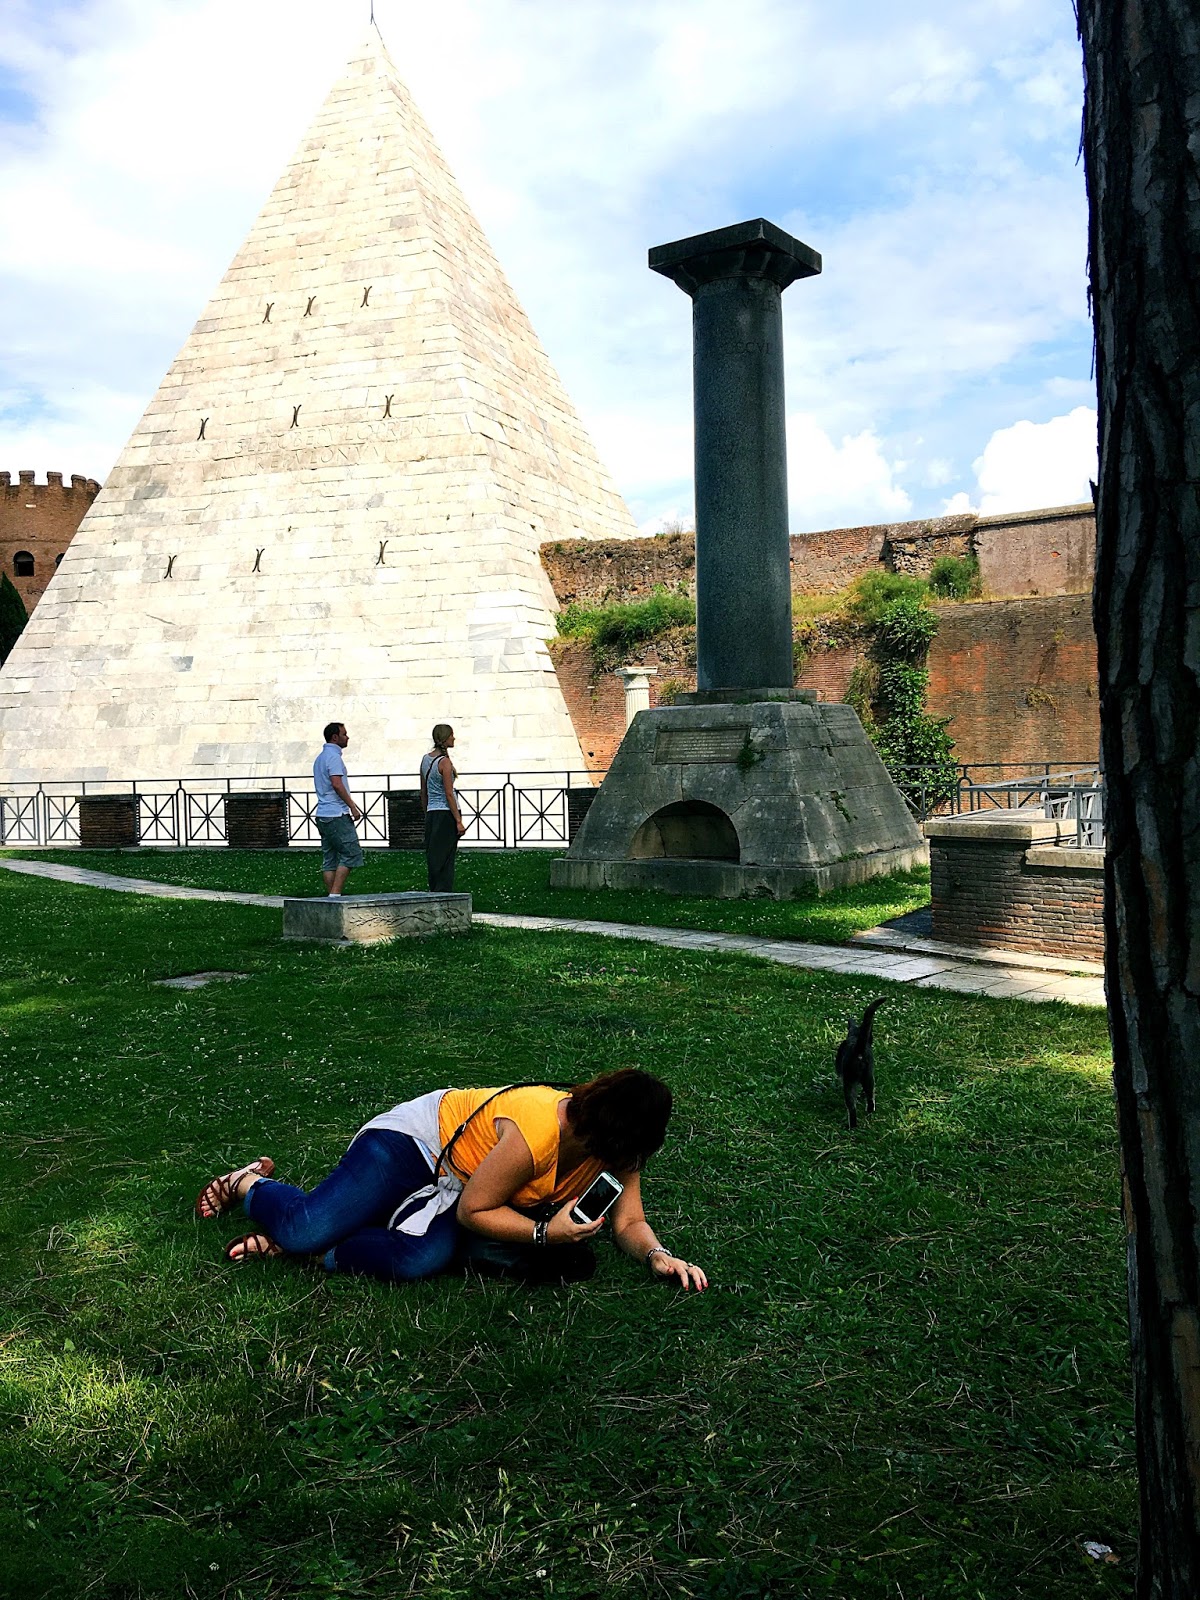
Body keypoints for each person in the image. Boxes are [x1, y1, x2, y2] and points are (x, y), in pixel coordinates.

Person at [194, 1070, 708, 1291]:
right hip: (417, 1143)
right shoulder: (535, 1133)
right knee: (305, 1226)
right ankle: (248, 1183)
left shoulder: (619, 1148)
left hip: (460, 1180)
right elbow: (474, 1213)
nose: (625, 1164)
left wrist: (657, 1255)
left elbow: (629, 1222)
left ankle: (315, 1252)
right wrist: (544, 1233)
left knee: (421, 1259)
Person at [313, 721, 363, 896]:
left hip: (322, 814)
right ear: (335, 737)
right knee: (352, 853)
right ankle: (335, 894)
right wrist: (352, 806)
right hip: (336, 814)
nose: (347, 737)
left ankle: (331, 897)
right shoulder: (334, 757)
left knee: (330, 858)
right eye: (344, 734)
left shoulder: (320, 758)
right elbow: (337, 784)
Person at [420, 723, 465, 891]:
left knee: (434, 856)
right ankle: (444, 893)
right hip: (446, 813)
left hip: (432, 812)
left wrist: (426, 813)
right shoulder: (444, 762)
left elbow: (423, 792)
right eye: (451, 735)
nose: (454, 738)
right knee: (446, 858)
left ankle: (434, 891)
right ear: (445, 738)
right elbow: (449, 793)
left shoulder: (425, 760)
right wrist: (458, 820)